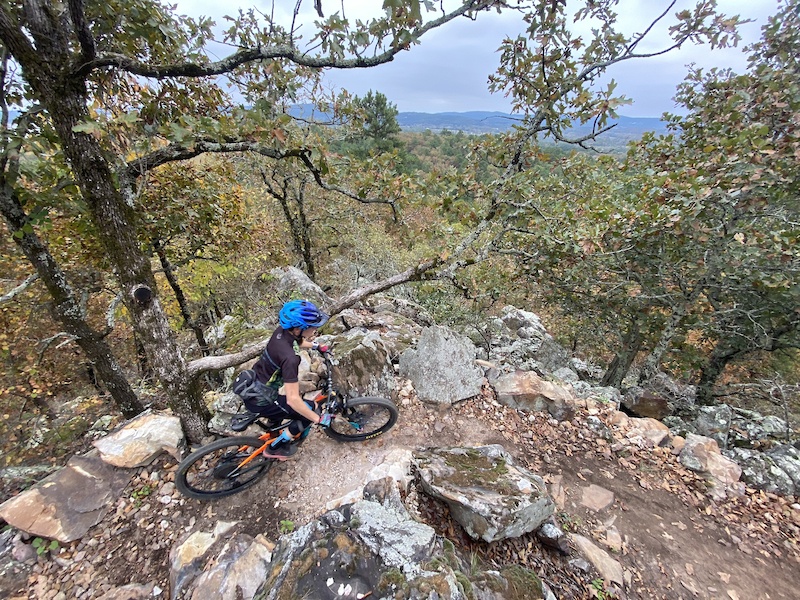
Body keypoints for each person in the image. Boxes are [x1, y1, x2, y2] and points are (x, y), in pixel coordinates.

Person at [249, 299, 332, 460]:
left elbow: (296, 341)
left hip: (254, 383)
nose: (315, 329)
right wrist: (318, 419)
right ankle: (275, 448)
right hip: (261, 398)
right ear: (299, 328)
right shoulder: (290, 359)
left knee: (293, 408)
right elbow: (293, 399)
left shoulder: (281, 332)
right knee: (310, 408)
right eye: (312, 326)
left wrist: (315, 346)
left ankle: (275, 428)